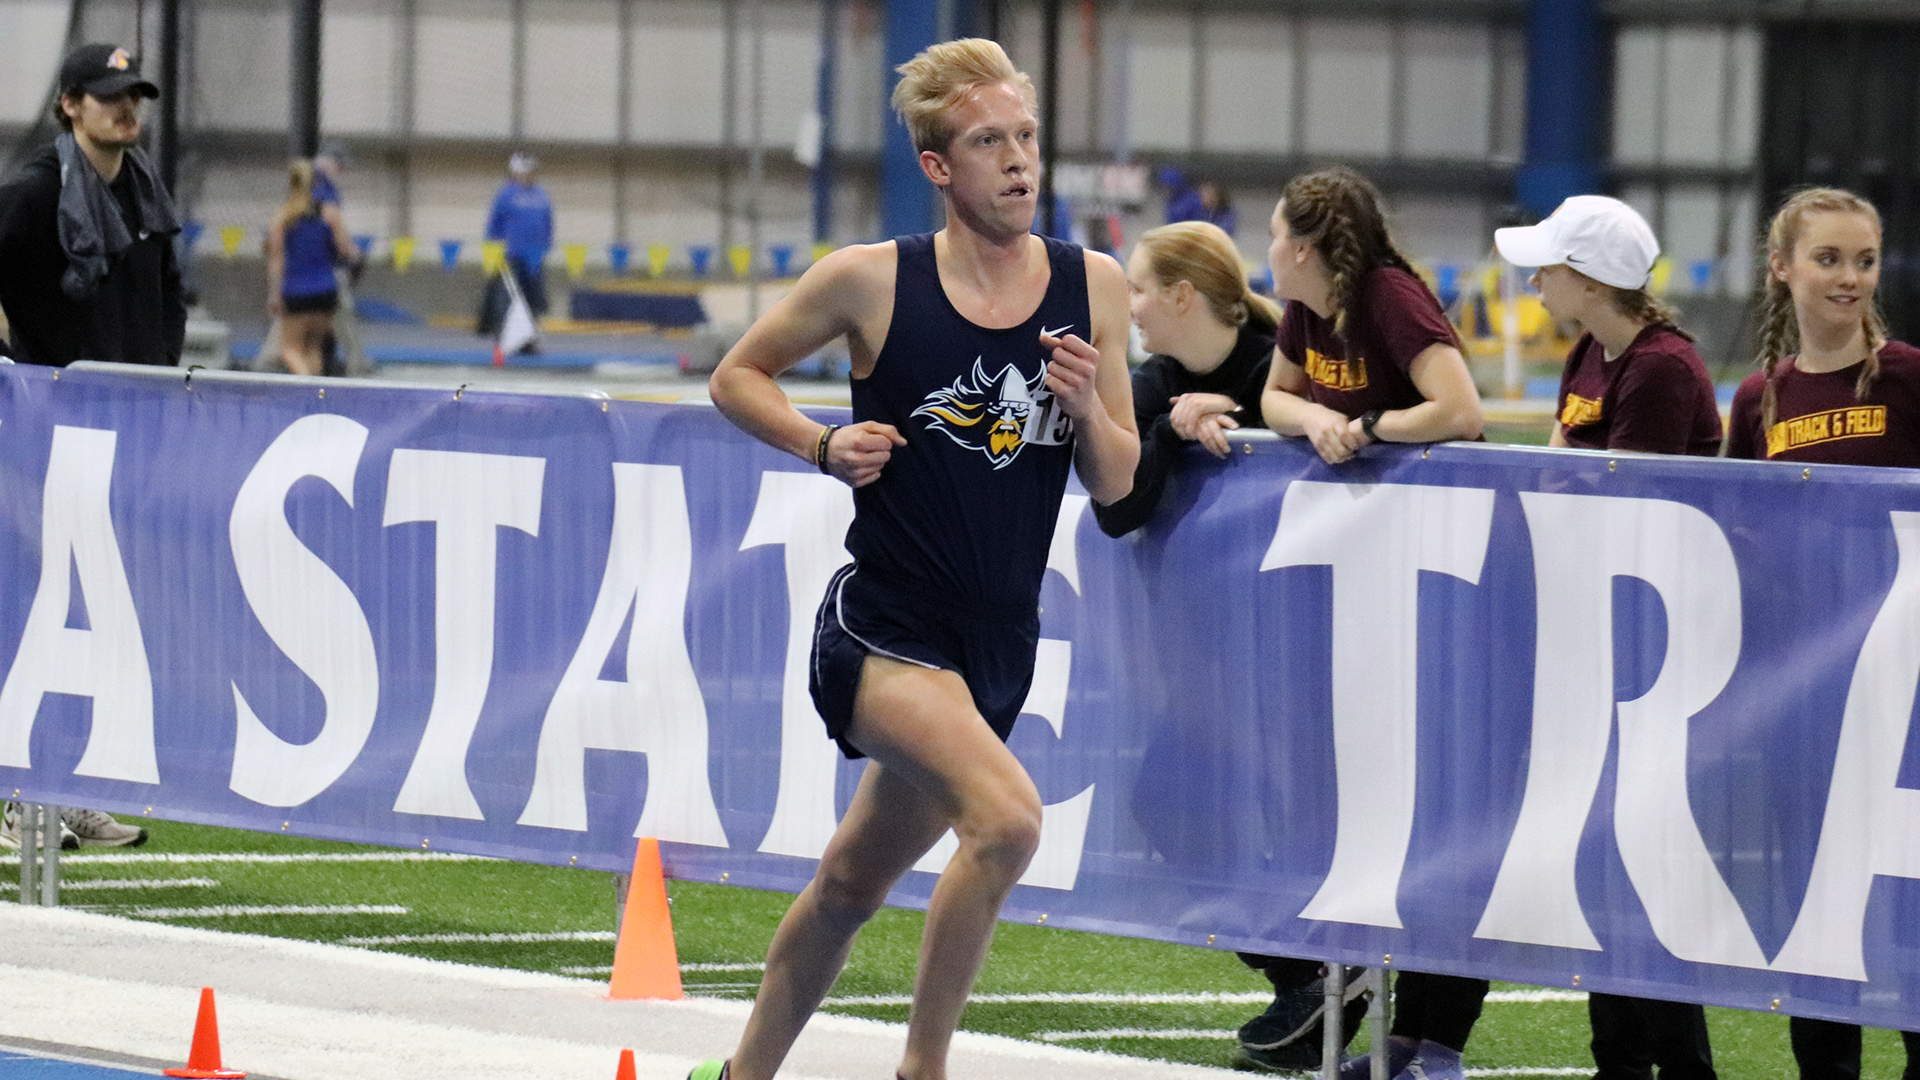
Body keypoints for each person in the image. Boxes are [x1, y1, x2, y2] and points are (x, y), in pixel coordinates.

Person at [697, 37, 1137, 1080]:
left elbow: (1118, 483)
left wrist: (1085, 410)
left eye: (1027, 137)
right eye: (990, 142)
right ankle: (922, 1070)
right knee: (1009, 821)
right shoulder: (868, 281)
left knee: (851, 883)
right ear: (940, 168)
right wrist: (821, 443)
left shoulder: (1097, 287)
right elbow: (735, 376)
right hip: (882, 632)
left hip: (994, 653)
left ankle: (736, 1077)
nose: (1019, 160)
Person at [1259, 166, 1485, 1080]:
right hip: (1362, 581)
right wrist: (1317, 417)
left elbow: (1461, 409)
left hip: (1434, 568)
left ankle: (1436, 1043)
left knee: (1436, 807)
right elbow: (1272, 399)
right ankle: (1395, 1040)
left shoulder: (1388, 298)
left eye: (1275, 233)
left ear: (1307, 247)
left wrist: (1374, 428)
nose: (1266, 249)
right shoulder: (1305, 314)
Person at [1496, 195, 1722, 1080]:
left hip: (1659, 644)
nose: (1536, 279)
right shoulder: (1593, 352)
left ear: (1589, 281)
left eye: (1549, 266)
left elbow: (1623, 513)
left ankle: (1678, 1065)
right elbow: (1563, 465)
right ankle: (1619, 1062)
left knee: (1643, 865)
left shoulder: (1662, 369)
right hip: (1597, 632)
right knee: (1603, 860)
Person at [1723, 186, 1920, 1080]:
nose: (1850, 278)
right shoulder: (1759, 399)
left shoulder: (1911, 378)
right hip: (1803, 703)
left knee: (1911, 905)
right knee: (1819, 913)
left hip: (1906, 697)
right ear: (1783, 270)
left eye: (1865, 260)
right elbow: (1729, 535)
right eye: (1830, 258)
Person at [0, 42, 184, 369]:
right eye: (110, 96)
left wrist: (164, 365)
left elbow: (168, 288)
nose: (127, 107)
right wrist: (13, 371)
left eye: (134, 95)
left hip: (142, 401)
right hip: (59, 407)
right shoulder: (35, 192)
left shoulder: (147, 191)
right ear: (70, 105)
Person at [1094, 220, 1276, 537]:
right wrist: (1172, 429)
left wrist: (1233, 416)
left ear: (1181, 297)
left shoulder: (1278, 366)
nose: (1128, 306)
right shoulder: (1155, 382)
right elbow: (1113, 515)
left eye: (1136, 290)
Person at [264, 159, 360, 377]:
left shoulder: (283, 217)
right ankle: (315, 394)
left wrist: (274, 294)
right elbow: (347, 251)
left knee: (289, 350)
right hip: (325, 290)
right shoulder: (329, 213)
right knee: (313, 348)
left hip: (296, 291)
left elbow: (276, 259)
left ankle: (306, 387)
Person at [484, 152, 553, 336]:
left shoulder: (541, 195)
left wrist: (546, 244)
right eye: (524, 172)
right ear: (516, 173)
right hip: (512, 253)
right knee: (509, 296)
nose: (528, 175)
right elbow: (494, 224)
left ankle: (528, 336)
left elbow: (547, 221)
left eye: (531, 172)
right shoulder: (506, 194)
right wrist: (493, 249)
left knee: (534, 298)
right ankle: (504, 333)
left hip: (535, 256)